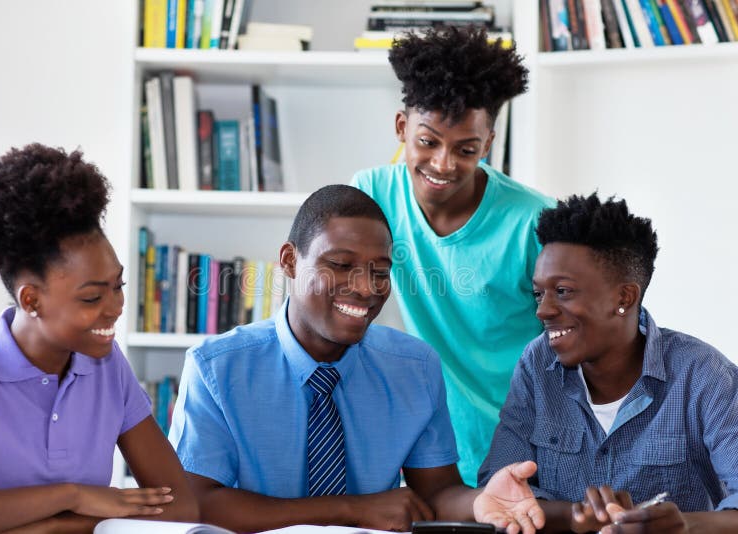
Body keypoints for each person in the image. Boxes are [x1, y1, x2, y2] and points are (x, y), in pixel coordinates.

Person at [170, 185, 544, 533]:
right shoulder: (216, 368)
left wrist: (481, 501)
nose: (365, 288)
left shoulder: (414, 368)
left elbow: (435, 494)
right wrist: (348, 509)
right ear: (290, 261)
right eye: (341, 264)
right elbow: (195, 504)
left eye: (379, 271)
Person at [0, 144, 198, 532]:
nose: (115, 307)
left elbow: (181, 508)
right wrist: (71, 495)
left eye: (118, 286)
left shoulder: (108, 367)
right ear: (31, 300)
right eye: (92, 297)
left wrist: (57, 527)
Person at [351, 26, 555, 485]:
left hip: (526, 453)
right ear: (402, 128)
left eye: (466, 149)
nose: (443, 164)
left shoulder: (535, 221)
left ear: (488, 144)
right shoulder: (371, 194)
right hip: (426, 455)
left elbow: (572, 345)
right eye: (427, 142)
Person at [478, 193, 738, 533]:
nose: (543, 311)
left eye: (563, 291)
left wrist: (684, 526)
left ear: (623, 297)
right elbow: (503, 488)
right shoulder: (537, 363)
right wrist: (575, 516)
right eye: (539, 294)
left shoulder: (704, 375)